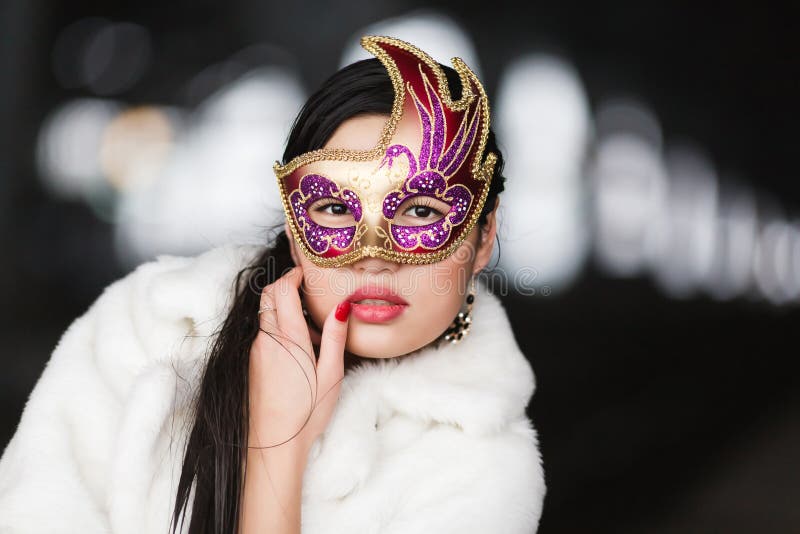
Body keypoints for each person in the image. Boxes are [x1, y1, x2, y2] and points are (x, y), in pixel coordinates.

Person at [0, 36, 545, 533]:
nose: (375, 259)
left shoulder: (485, 477)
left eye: (422, 210)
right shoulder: (142, 333)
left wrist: (276, 448)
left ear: (484, 236)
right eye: (334, 208)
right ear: (293, 223)